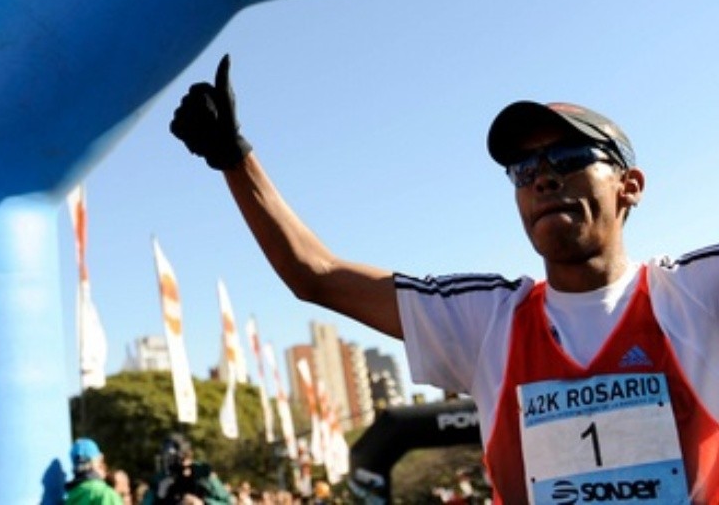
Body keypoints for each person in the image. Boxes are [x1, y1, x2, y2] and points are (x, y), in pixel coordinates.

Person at [169, 55, 719, 502]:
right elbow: (318, 275)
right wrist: (233, 160)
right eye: (524, 170)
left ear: (630, 185)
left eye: (569, 156)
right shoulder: (487, 321)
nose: (544, 179)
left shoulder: (695, 295)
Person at [141, 433, 230, 504]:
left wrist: (202, 502)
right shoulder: (161, 480)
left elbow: (226, 502)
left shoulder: (203, 473)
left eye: (170, 458)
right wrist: (161, 497)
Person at [65, 438, 123, 505]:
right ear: (97, 462)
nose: (104, 466)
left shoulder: (70, 498)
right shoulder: (105, 494)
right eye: (102, 461)